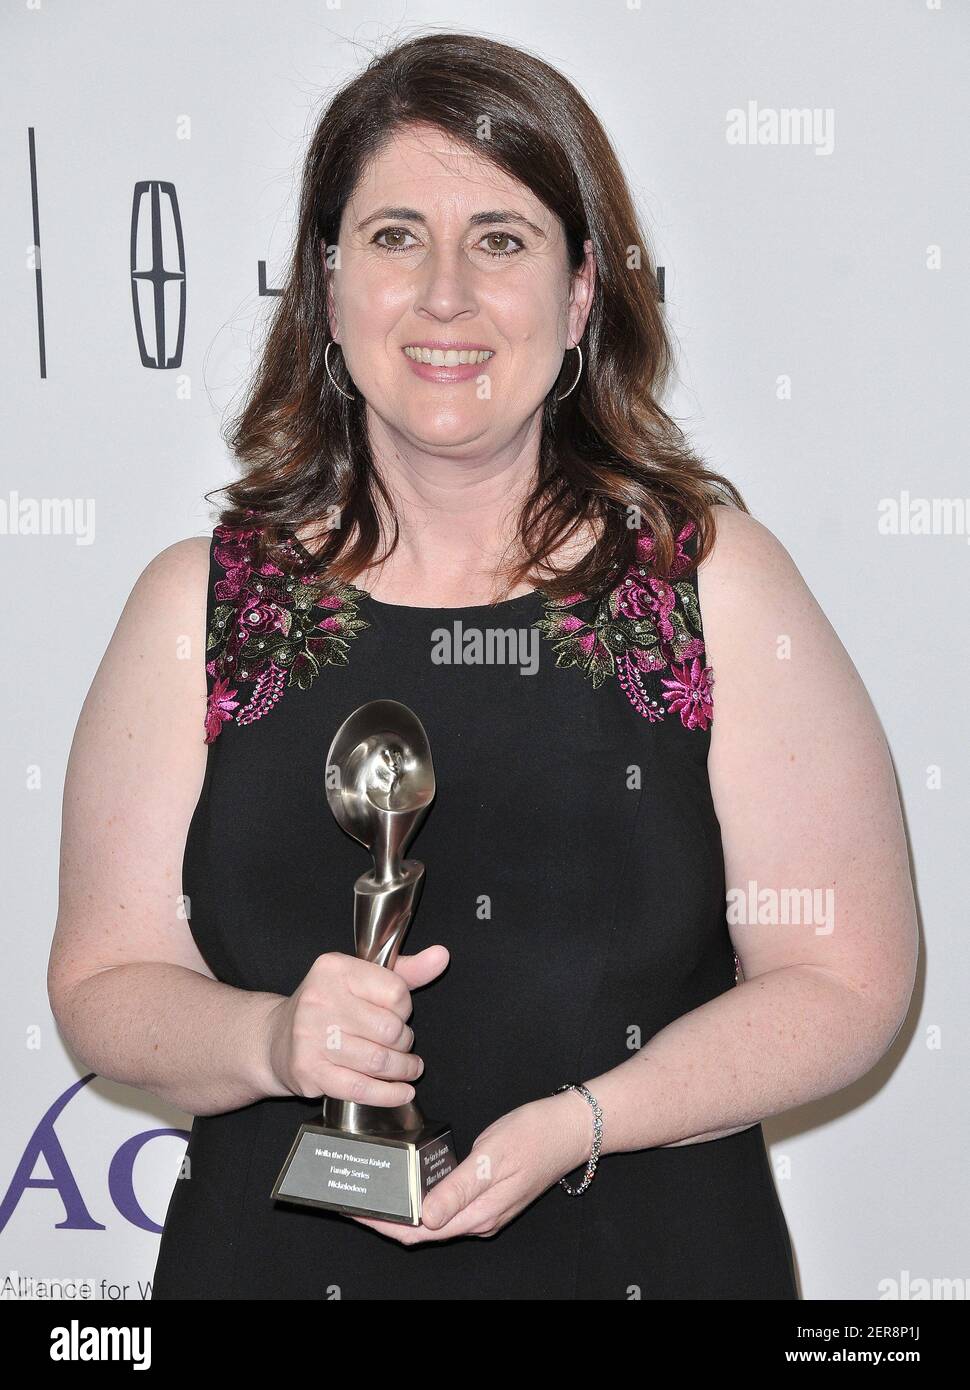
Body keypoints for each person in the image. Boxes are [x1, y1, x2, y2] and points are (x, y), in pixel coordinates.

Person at [47, 32, 917, 1300]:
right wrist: (273, 1038)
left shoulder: (710, 584)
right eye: (395, 237)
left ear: (579, 296)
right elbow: (104, 981)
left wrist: (586, 1122)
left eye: (501, 239)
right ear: (328, 285)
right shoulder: (200, 603)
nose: (444, 294)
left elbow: (844, 981)